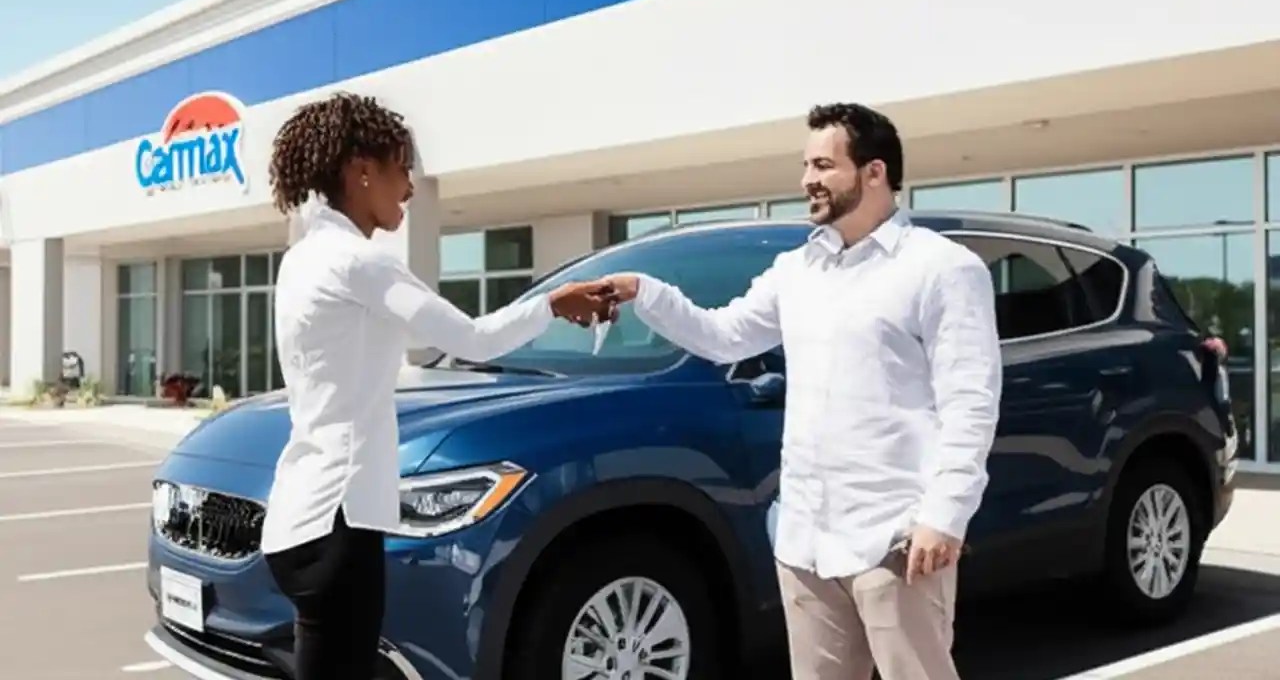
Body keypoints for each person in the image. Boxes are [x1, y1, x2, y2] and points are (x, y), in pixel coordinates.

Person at [600, 103, 1002, 679]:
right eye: (805, 165)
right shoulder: (798, 270)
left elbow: (971, 399)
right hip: (806, 541)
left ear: (874, 173)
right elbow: (723, 335)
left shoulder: (943, 269)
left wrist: (945, 514)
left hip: (897, 539)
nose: (807, 180)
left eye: (822, 164)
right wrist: (642, 291)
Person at [260, 91, 616, 680]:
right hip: (338, 523)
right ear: (362, 172)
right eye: (402, 169)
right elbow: (473, 340)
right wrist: (554, 303)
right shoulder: (358, 263)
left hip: (303, 515)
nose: (409, 187)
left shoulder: (303, 257)